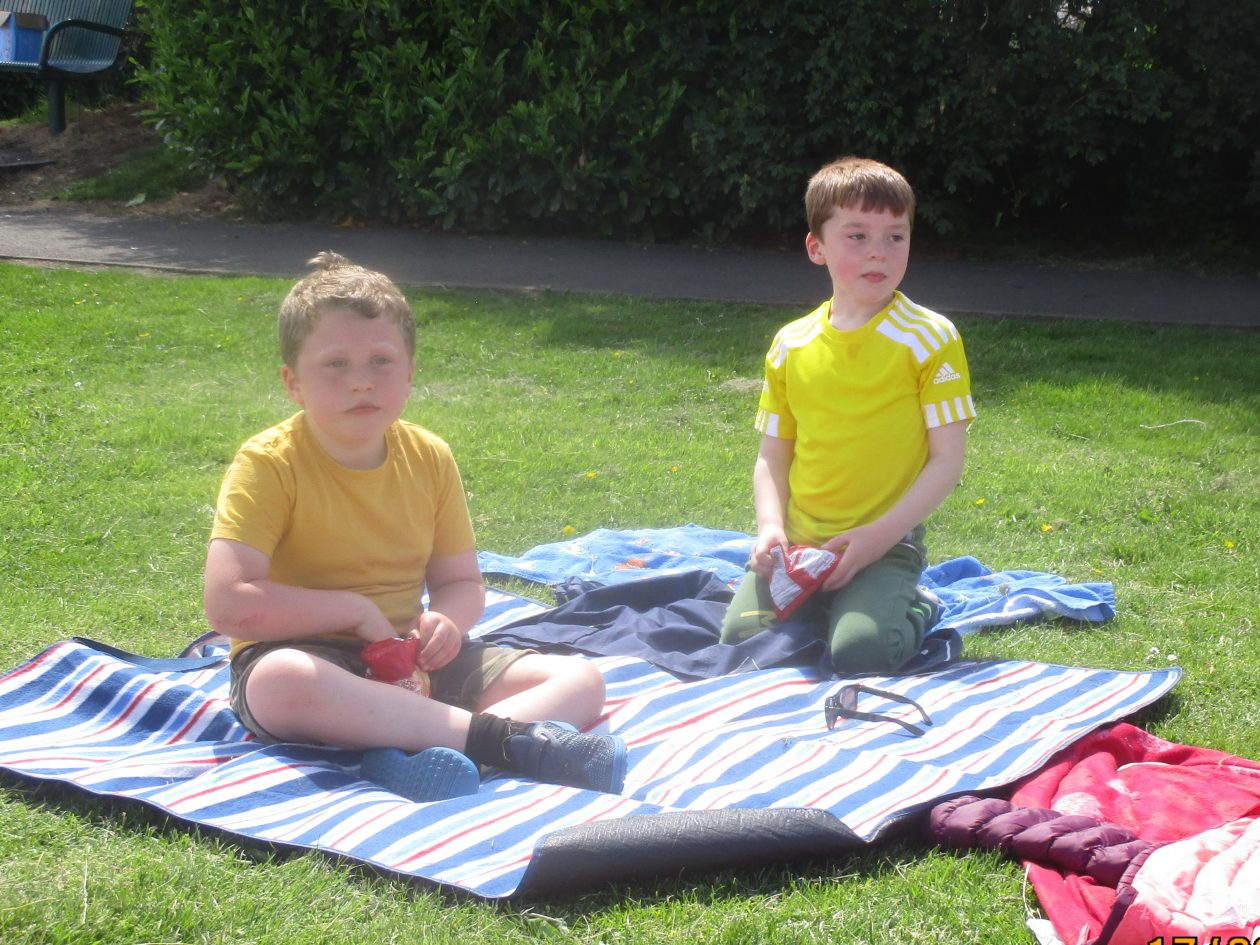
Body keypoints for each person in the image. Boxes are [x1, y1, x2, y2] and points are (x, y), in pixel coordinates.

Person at [204, 252, 625, 800]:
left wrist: (448, 621)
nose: (361, 382)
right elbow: (229, 603)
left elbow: (460, 584)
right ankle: (509, 745)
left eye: (381, 360)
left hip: (412, 660)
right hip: (306, 655)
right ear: (293, 382)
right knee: (283, 684)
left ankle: (419, 752)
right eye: (335, 364)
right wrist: (354, 612)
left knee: (581, 681)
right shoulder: (269, 462)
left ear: (410, 373)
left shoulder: (428, 456)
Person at [719, 157, 975, 674]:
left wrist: (878, 537)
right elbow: (772, 455)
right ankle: (834, 603)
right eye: (857, 236)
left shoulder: (931, 338)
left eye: (895, 237)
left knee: (861, 653)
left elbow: (947, 461)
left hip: (886, 545)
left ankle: (917, 605)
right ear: (817, 247)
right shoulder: (790, 345)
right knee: (741, 640)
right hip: (799, 545)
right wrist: (771, 528)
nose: (879, 251)